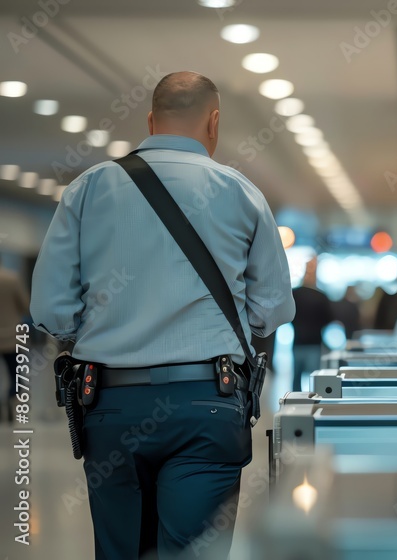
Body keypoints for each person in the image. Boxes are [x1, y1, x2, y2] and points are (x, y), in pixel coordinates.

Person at [30, 71, 295, 559]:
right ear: (214, 123)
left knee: (121, 549)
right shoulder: (240, 192)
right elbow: (274, 309)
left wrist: (102, 328)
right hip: (209, 405)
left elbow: (50, 309)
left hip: (110, 403)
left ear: (151, 121)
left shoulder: (89, 188)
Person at [291, 257, 336, 392]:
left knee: (296, 378)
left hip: (298, 341)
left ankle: (295, 401)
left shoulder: (294, 294)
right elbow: (329, 319)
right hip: (315, 343)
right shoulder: (321, 296)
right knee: (315, 378)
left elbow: (288, 316)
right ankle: (315, 401)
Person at [0, 262, 30, 422]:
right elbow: (25, 305)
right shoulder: (12, 278)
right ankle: (11, 400)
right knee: (15, 375)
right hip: (12, 336)